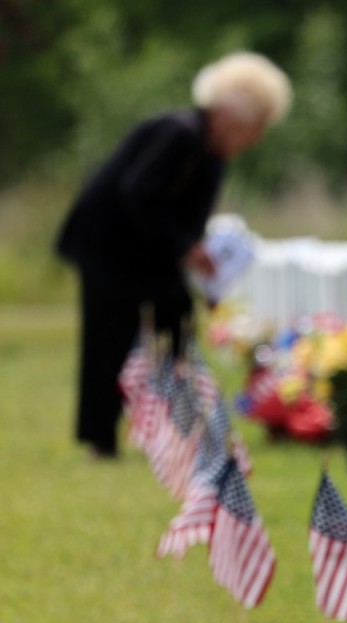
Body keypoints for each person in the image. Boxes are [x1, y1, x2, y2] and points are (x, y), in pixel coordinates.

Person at [56, 52, 291, 458]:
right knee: (109, 338)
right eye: (256, 127)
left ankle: (177, 425)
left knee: (176, 318)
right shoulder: (178, 134)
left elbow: (189, 215)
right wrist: (184, 247)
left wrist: (198, 259)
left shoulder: (212, 155)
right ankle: (101, 438)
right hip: (109, 247)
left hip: (149, 251)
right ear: (233, 115)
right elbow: (138, 194)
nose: (256, 139)